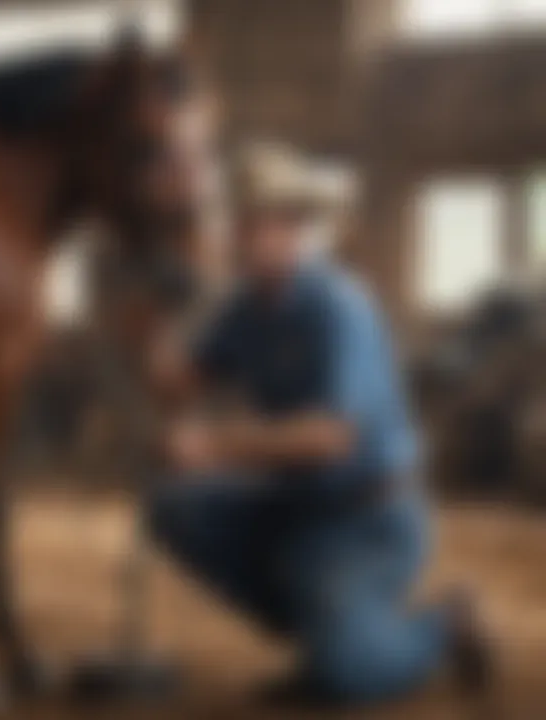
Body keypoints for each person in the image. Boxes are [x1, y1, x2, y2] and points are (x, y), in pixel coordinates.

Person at [146, 142, 491, 707]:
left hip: (368, 518)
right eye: (236, 221)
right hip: (295, 509)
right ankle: (325, 626)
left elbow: (332, 436)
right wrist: (157, 328)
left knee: (347, 675)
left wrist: (214, 445)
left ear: (293, 228)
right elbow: (180, 384)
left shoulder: (337, 306)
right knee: (176, 508)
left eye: (254, 222)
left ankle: (444, 624)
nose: (240, 235)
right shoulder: (245, 308)